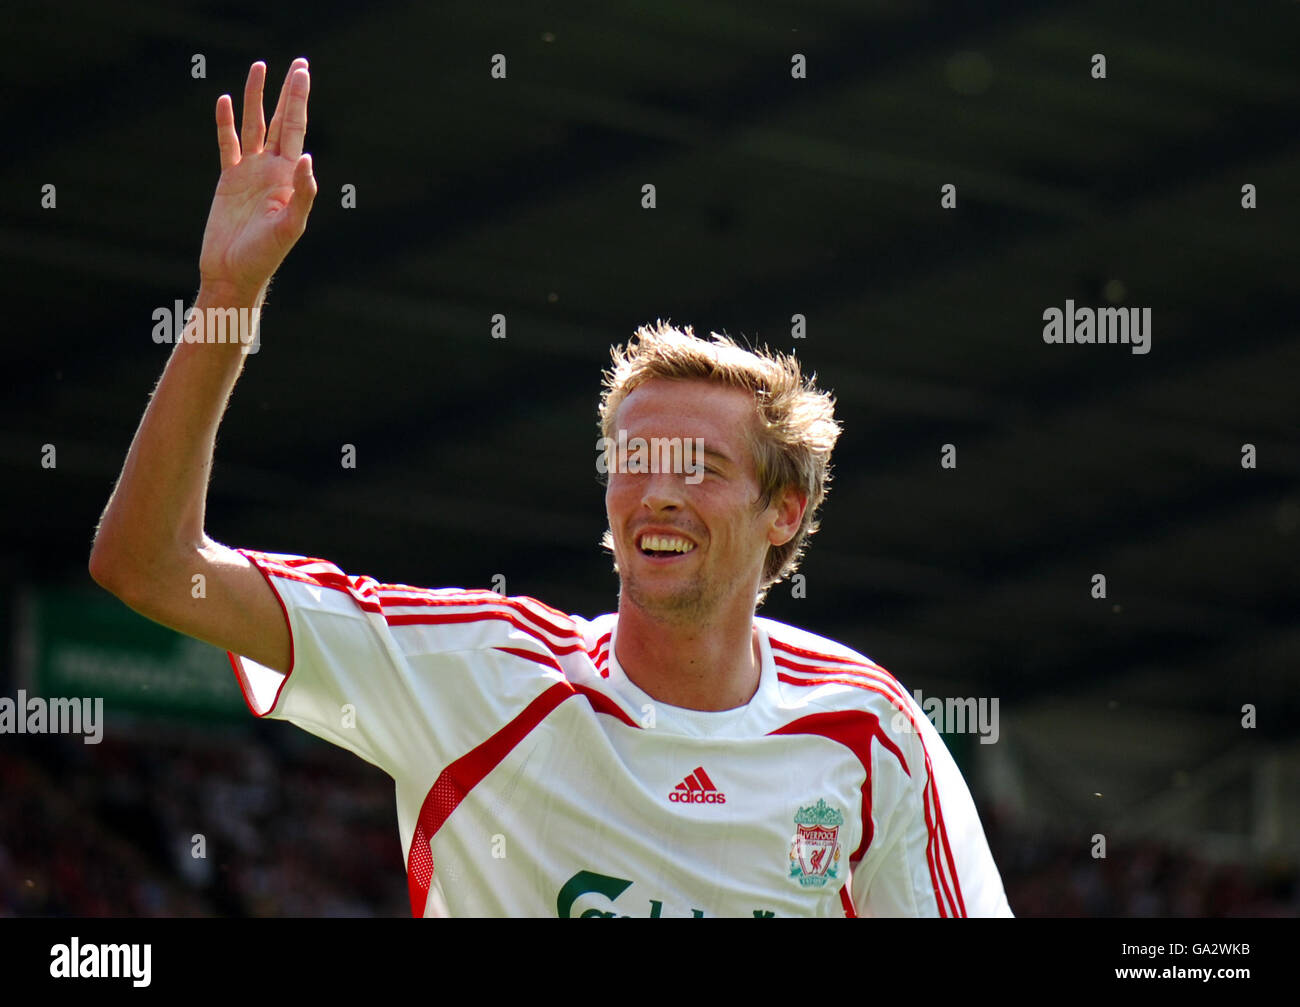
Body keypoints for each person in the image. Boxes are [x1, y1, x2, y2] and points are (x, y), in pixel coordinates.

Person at [90, 59, 1013, 917]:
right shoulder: (475, 674)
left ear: (786, 510)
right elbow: (150, 566)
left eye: (700, 466)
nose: (657, 490)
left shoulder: (868, 733)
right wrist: (225, 295)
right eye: (636, 459)